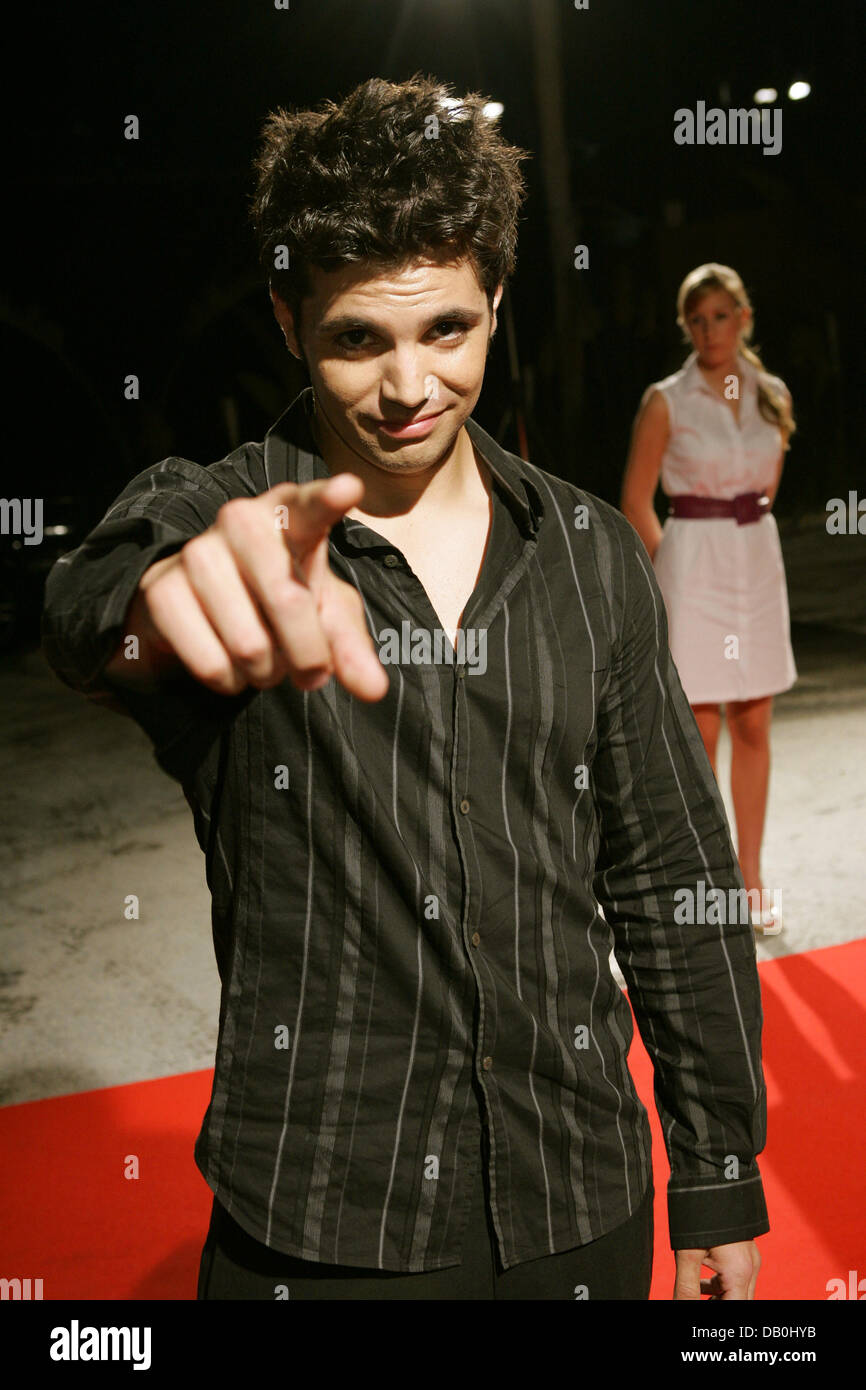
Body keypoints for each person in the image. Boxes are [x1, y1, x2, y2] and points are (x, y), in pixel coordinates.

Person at [42, 77, 769, 1301]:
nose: (406, 387)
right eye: (355, 339)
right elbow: (88, 605)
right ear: (287, 319)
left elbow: (668, 877)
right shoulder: (223, 515)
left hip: (576, 1202)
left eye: (445, 330)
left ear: (495, 301)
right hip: (323, 1225)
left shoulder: (590, 554)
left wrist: (714, 1171)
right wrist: (160, 618)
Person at [620, 264, 797, 937]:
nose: (708, 329)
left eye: (720, 315)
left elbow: (768, 489)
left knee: (754, 721)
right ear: (686, 327)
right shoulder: (665, 399)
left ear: (743, 318)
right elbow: (636, 498)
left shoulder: (771, 393)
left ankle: (752, 883)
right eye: (696, 319)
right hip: (693, 560)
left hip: (755, 558)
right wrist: (677, 570)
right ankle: (713, 882)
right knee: (701, 731)